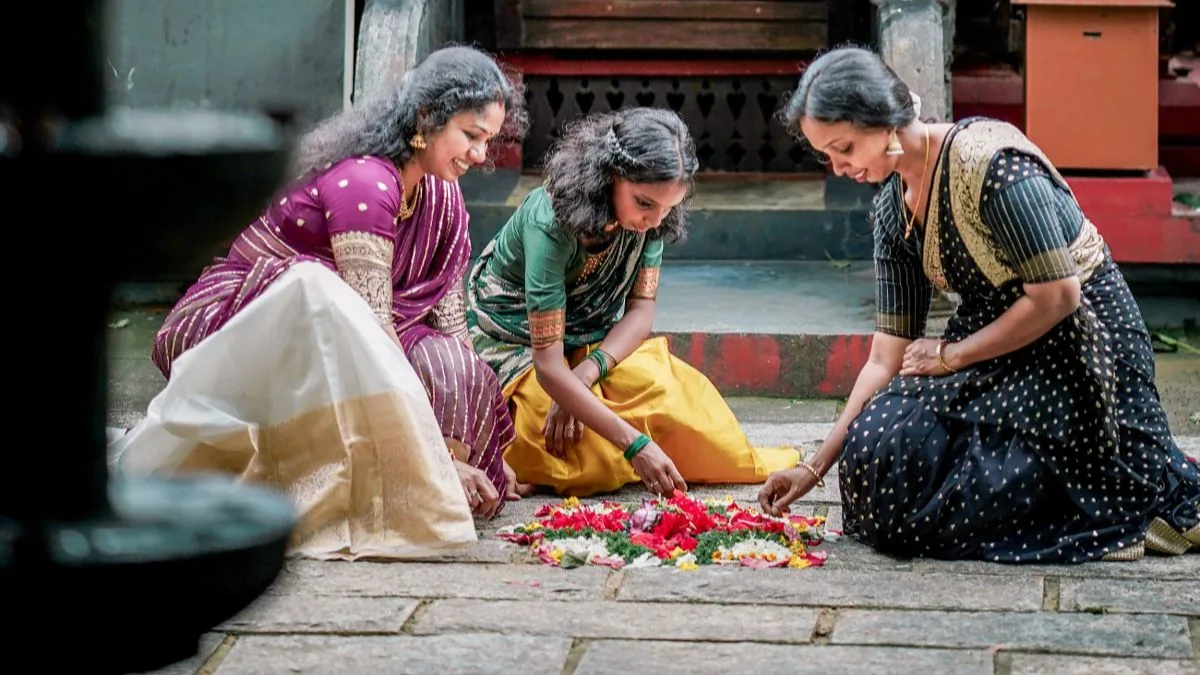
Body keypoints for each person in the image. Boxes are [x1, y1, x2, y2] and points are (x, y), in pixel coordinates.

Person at [758, 45, 1200, 563]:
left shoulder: (992, 168)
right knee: (875, 453)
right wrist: (814, 469)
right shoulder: (891, 211)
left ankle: (1117, 513)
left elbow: (1059, 296)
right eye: (827, 156)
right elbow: (886, 356)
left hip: (1083, 348)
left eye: (845, 148)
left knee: (941, 490)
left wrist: (952, 357)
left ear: (882, 121)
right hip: (994, 348)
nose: (839, 168)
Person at [110, 45, 532, 560]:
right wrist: (442, 456)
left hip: (355, 336)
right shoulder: (365, 181)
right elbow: (370, 330)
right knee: (328, 298)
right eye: (471, 136)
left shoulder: (438, 194)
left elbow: (449, 324)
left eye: (487, 140)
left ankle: (425, 486)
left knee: (453, 366)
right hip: (247, 323)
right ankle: (409, 483)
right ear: (427, 118)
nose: (481, 156)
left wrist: (482, 435)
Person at [466, 107, 799, 498]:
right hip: (517, 345)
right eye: (645, 204)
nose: (655, 221)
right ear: (608, 176)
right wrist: (635, 444)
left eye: (667, 209)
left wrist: (585, 376)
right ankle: (549, 466)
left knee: (675, 400)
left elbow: (641, 313)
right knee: (560, 432)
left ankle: (565, 464)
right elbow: (549, 366)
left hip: (586, 347)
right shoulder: (551, 223)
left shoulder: (653, 218)